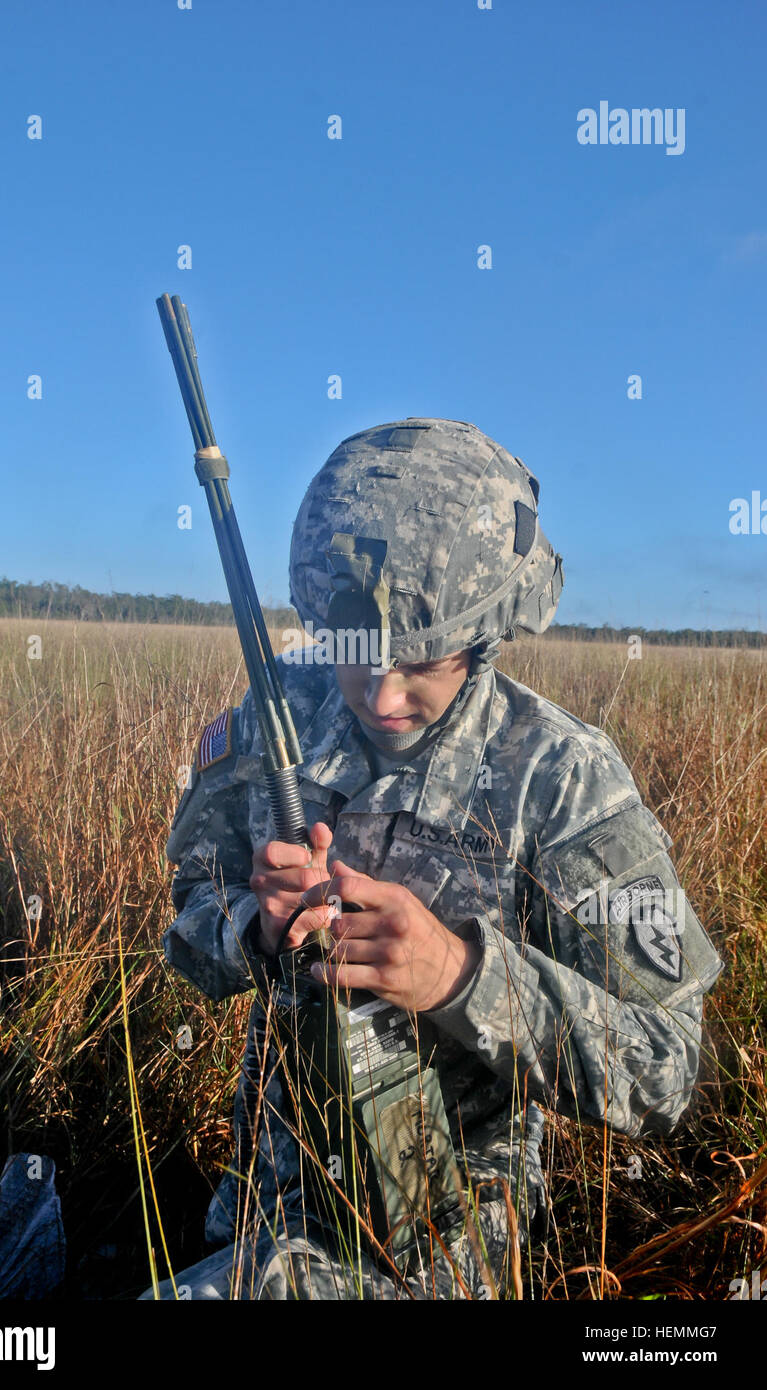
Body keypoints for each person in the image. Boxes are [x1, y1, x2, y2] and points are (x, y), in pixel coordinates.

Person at [142, 418, 723, 1301]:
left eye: (420, 660)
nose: (381, 695)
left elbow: (665, 1067)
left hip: (446, 1245)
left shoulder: (560, 779)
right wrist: (251, 933)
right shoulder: (272, 718)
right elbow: (186, 916)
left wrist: (461, 976)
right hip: (258, 1207)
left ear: (486, 636)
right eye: (354, 657)